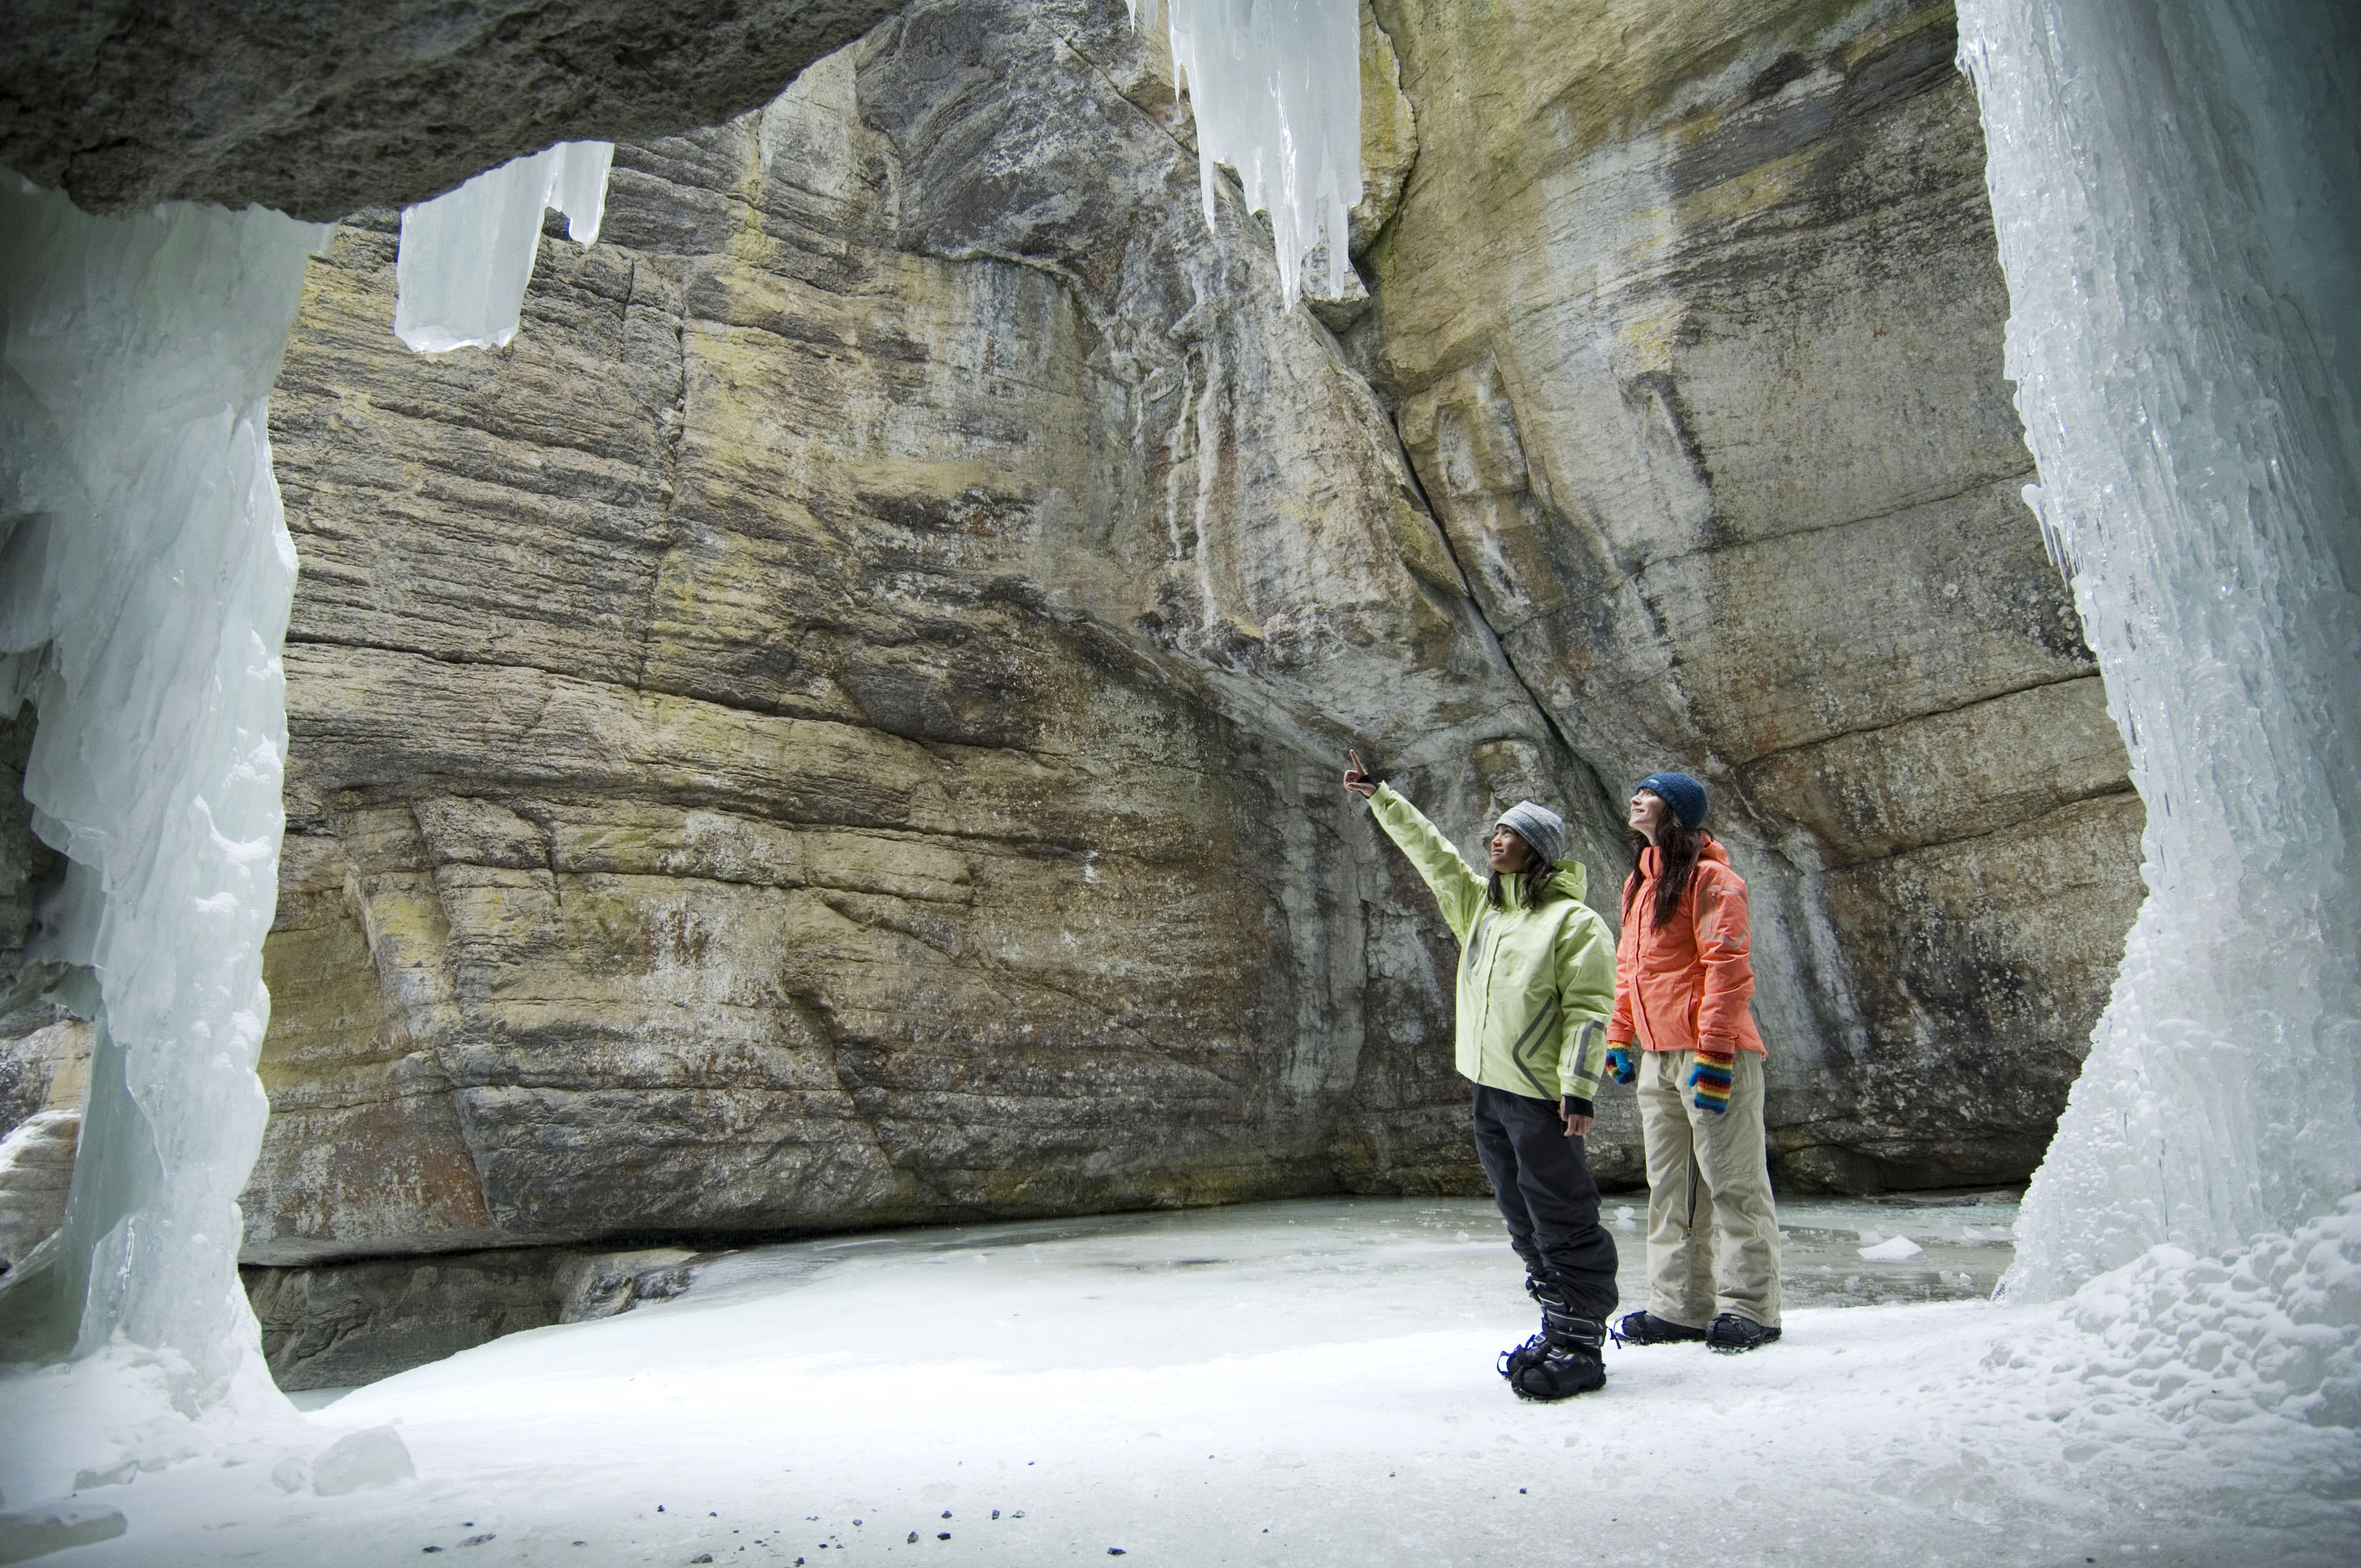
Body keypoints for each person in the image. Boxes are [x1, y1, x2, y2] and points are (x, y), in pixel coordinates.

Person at [1341, 750, 1619, 1400]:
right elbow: (1434, 855)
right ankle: (1557, 1320)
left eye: (1511, 834)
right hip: (1490, 1091)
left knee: (1562, 1211)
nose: (1497, 840)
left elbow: (1589, 1011)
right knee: (1519, 1210)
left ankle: (1582, 1342)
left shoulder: (1573, 924)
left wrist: (1579, 1089)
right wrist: (1381, 798)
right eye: (1495, 831)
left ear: (1539, 851)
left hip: (1544, 1098)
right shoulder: (1483, 913)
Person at [1604, 770, 1782, 1353]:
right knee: (1671, 1188)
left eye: (1649, 793)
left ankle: (1750, 1308)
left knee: (1733, 1183)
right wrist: (1620, 1036)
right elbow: (1629, 971)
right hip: (1658, 1057)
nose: (1636, 798)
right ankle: (1679, 1307)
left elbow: (1727, 970)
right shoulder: (1641, 885)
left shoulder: (1713, 880)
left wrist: (1713, 1053)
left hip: (1714, 1054)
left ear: (1676, 811)